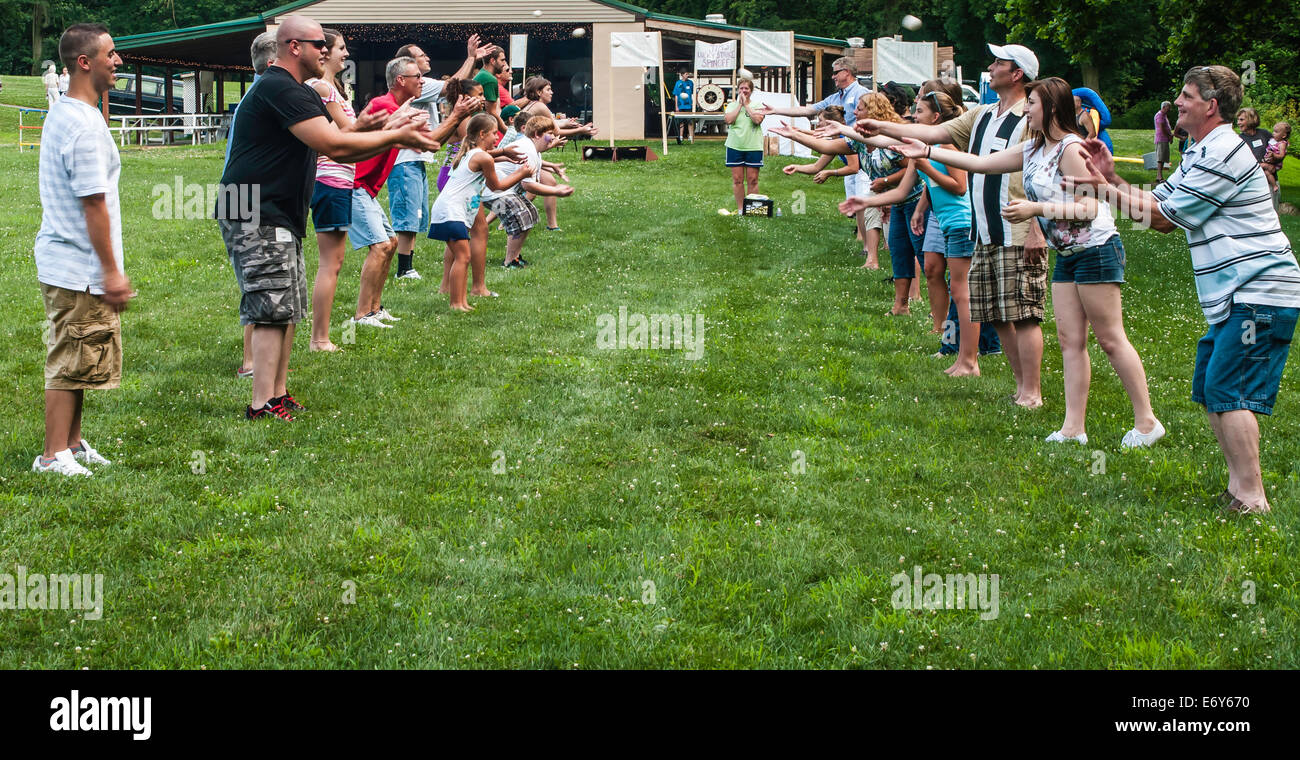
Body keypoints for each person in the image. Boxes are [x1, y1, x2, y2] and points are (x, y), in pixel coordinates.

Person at [1066, 65, 1300, 513]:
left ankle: (1252, 497)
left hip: (1261, 290)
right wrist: (1112, 178)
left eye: (1186, 96)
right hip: (1238, 293)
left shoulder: (1223, 152)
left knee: (1229, 387)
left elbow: (1160, 220)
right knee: (1214, 386)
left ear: (1210, 106)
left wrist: (1099, 188)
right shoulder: (1199, 150)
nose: (1177, 101)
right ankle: (1237, 490)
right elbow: (1158, 209)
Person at [898, 77, 1163, 446]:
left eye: (1033, 104)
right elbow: (980, 162)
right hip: (1069, 255)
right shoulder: (1035, 148)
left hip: (1096, 250)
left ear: (1051, 109)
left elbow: (1089, 207)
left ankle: (1147, 422)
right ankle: (1073, 429)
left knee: (1110, 339)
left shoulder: (1070, 148)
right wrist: (926, 152)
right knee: (1071, 341)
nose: (1026, 110)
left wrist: (1036, 208)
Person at [217, 15, 439, 421]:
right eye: (319, 43)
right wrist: (395, 135)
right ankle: (260, 403)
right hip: (253, 210)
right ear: (294, 47)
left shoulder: (295, 91)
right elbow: (333, 146)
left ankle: (277, 394)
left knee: (287, 306)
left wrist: (371, 126)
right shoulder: (281, 88)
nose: (327, 49)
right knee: (271, 307)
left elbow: (340, 137)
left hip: (274, 211)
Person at [855, 43, 1050, 408]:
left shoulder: (1032, 118)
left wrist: (1038, 229)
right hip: (982, 230)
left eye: (998, 63)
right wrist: (878, 124)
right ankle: (1021, 387)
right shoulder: (982, 114)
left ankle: (1033, 392)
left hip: (1019, 231)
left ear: (1017, 74)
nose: (990, 67)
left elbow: (1044, 175)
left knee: (1022, 315)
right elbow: (930, 136)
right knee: (996, 313)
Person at [32, 23, 132, 476]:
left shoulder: (72, 112)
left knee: (83, 352)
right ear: (84, 63)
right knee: (70, 355)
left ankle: (72, 443)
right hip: (79, 265)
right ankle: (53, 455)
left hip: (70, 260)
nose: (119, 61)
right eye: (111, 54)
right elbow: (93, 204)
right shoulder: (82, 124)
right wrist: (111, 272)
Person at [804, 93, 923, 314]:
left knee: (921, 254)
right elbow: (827, 148)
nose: (854, 113)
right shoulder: (859, 138)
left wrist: (886, 182)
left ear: (873, 112)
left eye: (859, 109)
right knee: (898, 250)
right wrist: (793, 134)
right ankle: (901, 305)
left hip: (915, 199)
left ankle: (927, 302)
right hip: (892, 199)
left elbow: (914, 167)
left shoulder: (891, 138)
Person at [753, 57, 877, 265]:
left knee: (867, 202)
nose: (833, 76)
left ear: (847, 72)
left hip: (864, 151)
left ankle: (871, 252)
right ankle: (868, 247)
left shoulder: (862, 95)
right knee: (859, 202)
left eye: (836, 72)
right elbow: (808, 110)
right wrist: (776, 111)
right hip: (847, 148)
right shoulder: (835, 97)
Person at [389, 35, 494, 281]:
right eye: (421, 55)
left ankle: (408, 266)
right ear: (407, 65)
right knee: (408, 217)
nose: (427, 57)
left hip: (417, 159)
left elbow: (453, 86)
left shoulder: (421, 85)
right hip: (405, 159)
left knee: (415, 215)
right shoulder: (419, 85)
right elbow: (453, 85)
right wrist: (470, 58)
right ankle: (404, 269)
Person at [429, 113, 532, 311]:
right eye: (494, 133)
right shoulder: (482, 157)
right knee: (463, 257)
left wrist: (503, 152)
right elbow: (497, 186)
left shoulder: (470, 152)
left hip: (449, 210)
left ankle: (461, 301)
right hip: (451, 212)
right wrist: (521, 174)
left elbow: (488, 156)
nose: (497, 137)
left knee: (462, 256)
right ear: (482, 134)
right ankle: (456, 303)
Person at [229, 31, 278, 378]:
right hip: (245, 196)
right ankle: (249, 362)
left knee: (258, 277)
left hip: (244, 194)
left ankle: (256, 357)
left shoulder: (259, 93)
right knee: (256, 278)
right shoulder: (265, 95)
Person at [479, 115, 574, 269]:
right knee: (518, 216)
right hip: (494, 190)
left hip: (504, 190)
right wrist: (555, 191)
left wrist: (553, 168)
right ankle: (509, 261)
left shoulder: (533, 148)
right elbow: (528, 185)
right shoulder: (527, 148)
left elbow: (537, 164)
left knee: (531, 213)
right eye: (550, 134)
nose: (553, 138)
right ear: (537, 134)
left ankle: (515, 257)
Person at [513, 75, 597, 231]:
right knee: (531, 187)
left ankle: (552, 225)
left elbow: (553, 124)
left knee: (546, 183)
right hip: (524, 149)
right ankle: (510, 216)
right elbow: (555, 130)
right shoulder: (540, 106)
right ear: (538, 92)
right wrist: (582, 130)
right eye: (548, 89)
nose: (552, 92)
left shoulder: (535, 105)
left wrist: (568, 123)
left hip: (526, 148)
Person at [724, 76, 765, 215]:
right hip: (735, 146)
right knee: (737, 180)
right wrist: (740, 105)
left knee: (753, 180)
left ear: (751, 90)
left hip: (753, 146)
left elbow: (757, 120)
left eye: (746, 88)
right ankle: (741, 209)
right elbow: (728, 120)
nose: (743, 91)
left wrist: (746, 105)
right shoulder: (731, 105)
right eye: (741, 88)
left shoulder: (758, 105)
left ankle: (752, 210)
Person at [1261, 121, 1289, 199]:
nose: (1273, 133)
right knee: (1266, 172)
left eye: (1276, 132)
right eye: (1273, 131)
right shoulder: (1274, 140)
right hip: (1270, 161)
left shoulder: (1282, 144)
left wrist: (1273, 155)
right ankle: (1274, 186)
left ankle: (1273, 185)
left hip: (1276, 164)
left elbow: (1281, 156)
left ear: (1283, 135)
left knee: (1262, 167)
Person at [673, 71, 695, 144]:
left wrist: (694, 103)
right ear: (682, 75)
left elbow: (694, 93)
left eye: (688, 74)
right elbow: (676, 95)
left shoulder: (691, 83)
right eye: (686, 74)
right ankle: (681, 136)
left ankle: (691, 136)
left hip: (689, 105)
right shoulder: (678, 83)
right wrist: (676, 106)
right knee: (681, 121)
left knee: (690, 121)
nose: (687, 75)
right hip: (680, 105)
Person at [1154, 101, 1174, 181]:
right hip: (1161, 139)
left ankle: (1160, 176)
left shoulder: (1164, 115)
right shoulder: (1160, 116)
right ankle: (1159, 176)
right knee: (1160, 158)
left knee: (1163, 158)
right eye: (1168, 107)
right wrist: (1169, 136)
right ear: (1164, 107)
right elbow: (1162, 129)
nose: (1170, 109)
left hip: (1164, 139)